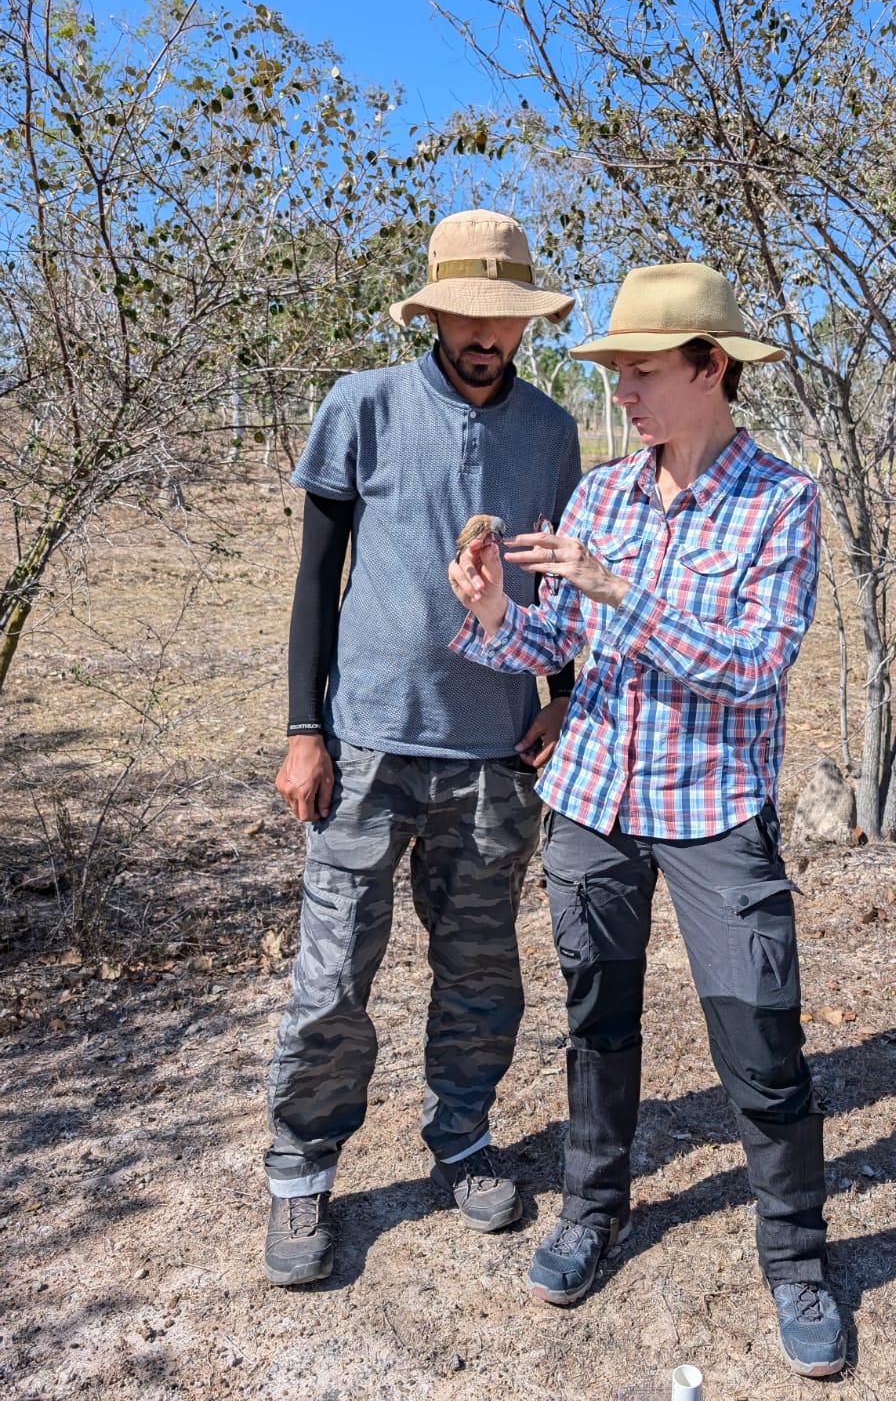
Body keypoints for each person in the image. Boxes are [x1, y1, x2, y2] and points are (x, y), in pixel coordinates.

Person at [448, 262, 847, 1379]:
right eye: (614, 370)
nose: (619, 389)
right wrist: (492, 614)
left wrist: (622, 589)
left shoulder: (779, 501)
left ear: (710, 368)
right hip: (591, 806)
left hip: (714, 810)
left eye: (640, 369)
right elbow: (557, 652)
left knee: (760, 1039)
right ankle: (592, 1208)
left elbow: (754, 663)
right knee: (596, 1019)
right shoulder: (601, 498)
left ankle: (797, 1259)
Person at [263, 209, 582, 1287]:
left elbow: (559, 580)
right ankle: (302, 1175)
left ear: (525, 326)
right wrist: (305, 729)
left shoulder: (551, 430)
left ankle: (461, 1140)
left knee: (481, 970)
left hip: (493, 749)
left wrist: (565, 693)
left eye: (504, 320)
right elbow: (316, 577)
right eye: (467, 314)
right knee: (333, 974)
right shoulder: (361, 406)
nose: (484, 335)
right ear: (432, 308)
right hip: (366, 745)